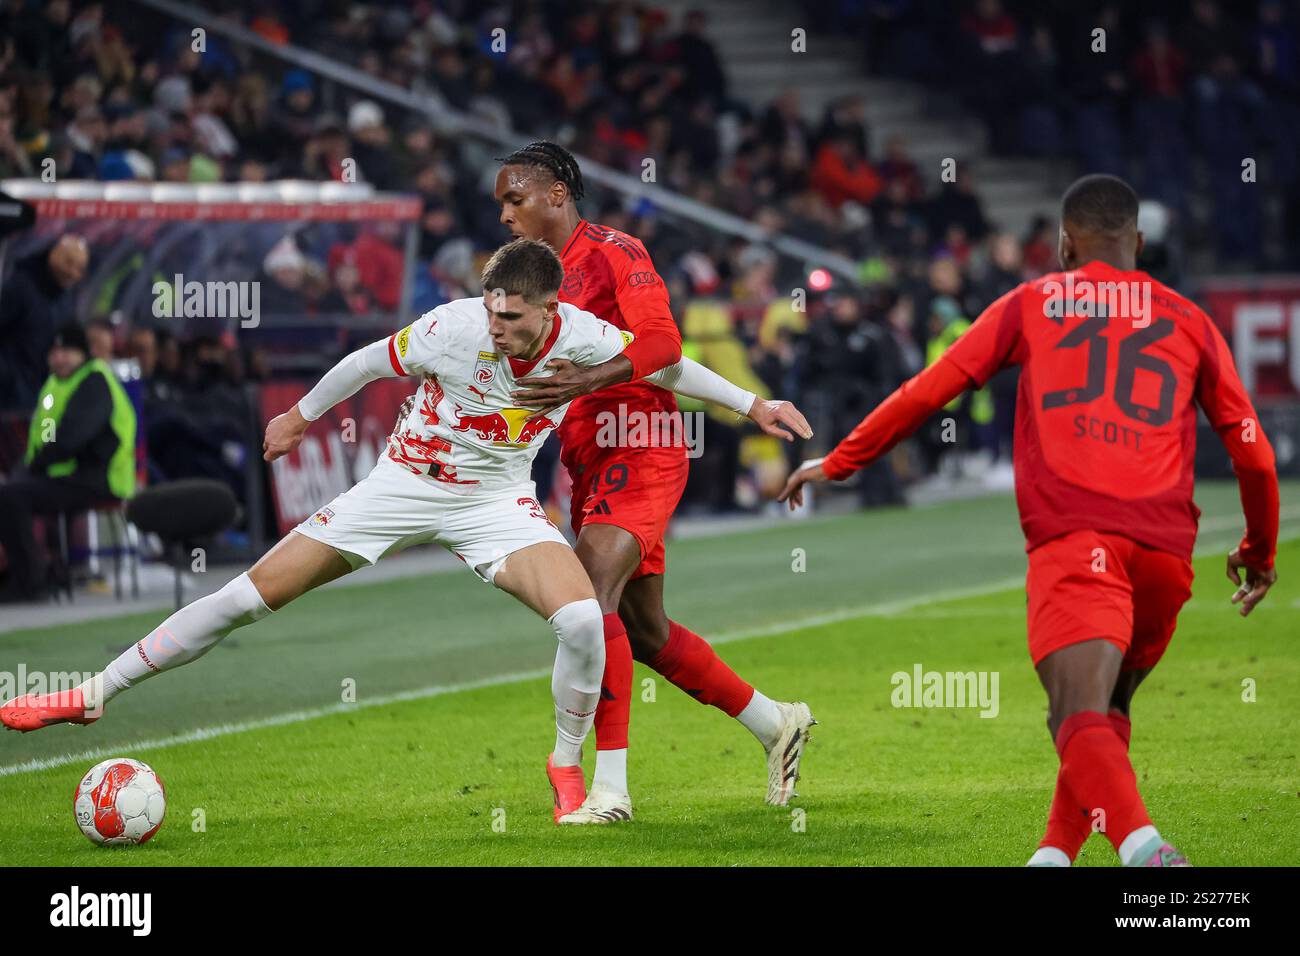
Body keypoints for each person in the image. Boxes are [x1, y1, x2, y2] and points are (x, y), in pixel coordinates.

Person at [2, 239, 810, 824]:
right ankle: (96, 692)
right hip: (401, 487)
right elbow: (363, 362)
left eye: (513, 316)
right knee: (250, 597)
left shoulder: (589, 342)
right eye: (492, 311)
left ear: (550, 310)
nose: (497, 329)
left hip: (494, 501)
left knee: (581, 619)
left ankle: (566, 768)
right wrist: (298, 416)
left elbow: (669, 368)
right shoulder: (452, 327)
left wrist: (756, 406)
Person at [780, 175, 1280, 867]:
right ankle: (1053, 854)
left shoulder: (1031, 302)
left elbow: (926, 391)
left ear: (1064, 244)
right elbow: (1254, 454)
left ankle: (1146, 851)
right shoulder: (1190, 319)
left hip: (1078, 539)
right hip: (1166, 556)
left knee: (1074, 715)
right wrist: (1259, 547)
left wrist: (839, 460)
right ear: (1137, 242)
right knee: (1104, 713)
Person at [494, 141, 816, 824]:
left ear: (557, 194)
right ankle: (775, 723)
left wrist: (747, 405)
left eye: (514, 197)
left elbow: (662, 348)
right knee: (644, 630)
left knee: (587, 594)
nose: (504, 213)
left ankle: (609, 790)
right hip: (588, 455)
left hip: (641, 441)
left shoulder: (615, 252)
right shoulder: (527, 279)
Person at [0, 322, 136, 601]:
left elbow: (71, 438)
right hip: (65, 475)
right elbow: (43, 439)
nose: (59, 358)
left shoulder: (95, 380)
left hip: (99, 479)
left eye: (67, 351)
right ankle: (39, 573)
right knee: (12, 492)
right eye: (55, 351)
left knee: (12, 497)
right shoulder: (56, 383)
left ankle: (32, 582)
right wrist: (27, 469)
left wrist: (34, 467)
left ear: (82, 354)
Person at [0, 234, 88, 412]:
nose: (73, 272)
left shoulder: (66, 299)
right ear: (52, 254)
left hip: (40, 398)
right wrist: (8, 377)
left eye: (80, 268)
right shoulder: (21, 287)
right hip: (9, 397)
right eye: (69, 262)